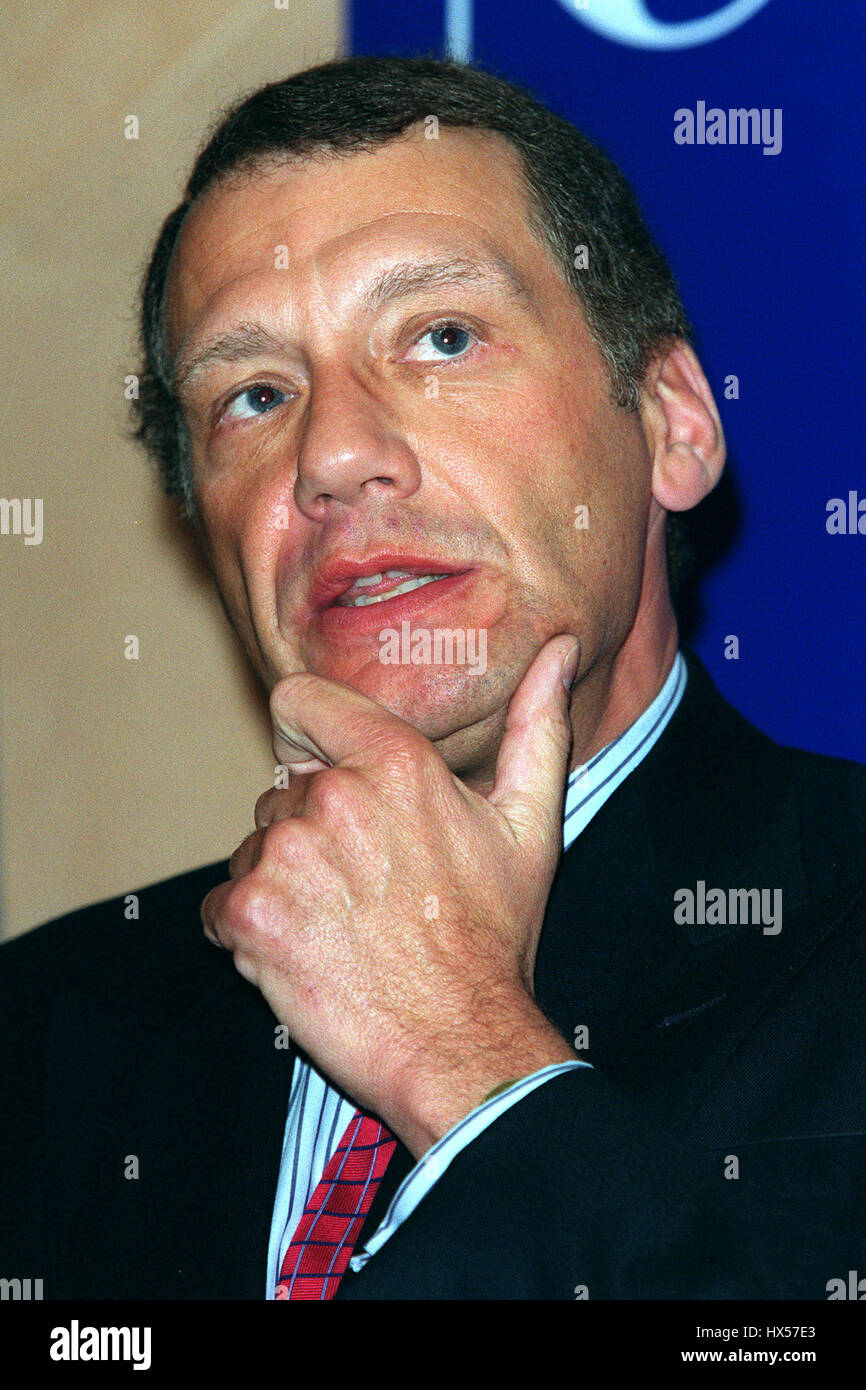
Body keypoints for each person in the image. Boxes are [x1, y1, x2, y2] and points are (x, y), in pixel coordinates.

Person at [1, 56, 864, 1302]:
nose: (334, 456)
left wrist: (465, 1063)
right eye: (253, 395)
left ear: (671, 421)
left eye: (441, 336)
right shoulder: (41, 1039)